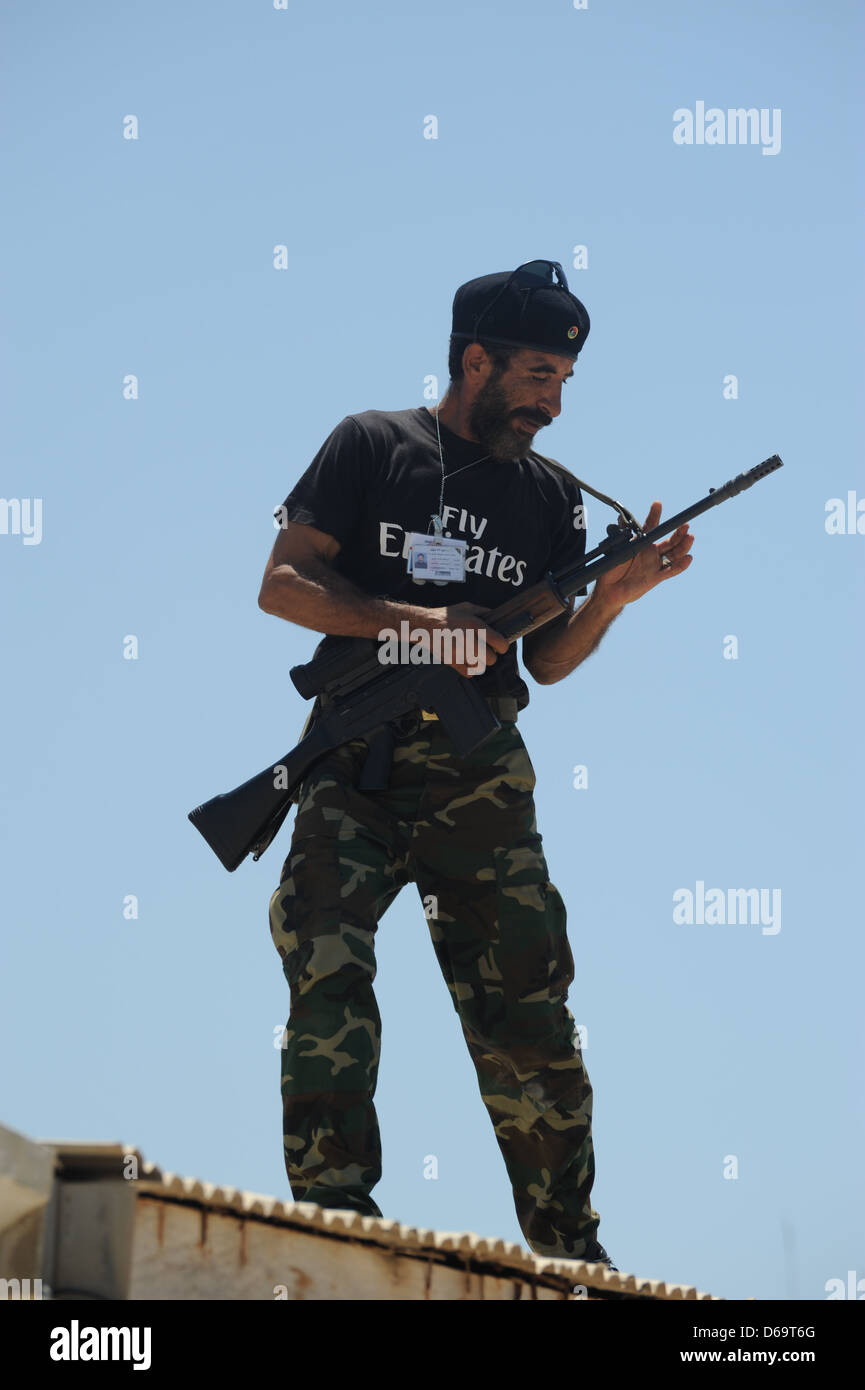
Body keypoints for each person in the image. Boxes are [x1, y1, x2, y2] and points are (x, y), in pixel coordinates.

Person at [259, 260, 694, 1269]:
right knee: (327, 971)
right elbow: (284, 584)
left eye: (566, 380)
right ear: (476, 360)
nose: (553, 399)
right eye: (540, 372)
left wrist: (613, 595)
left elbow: (546, 660)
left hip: (480, 773)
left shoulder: (548, 497)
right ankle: (336, 1218)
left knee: (527, 1007)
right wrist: (417, 623)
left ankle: (572, 1253)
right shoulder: (372, 444)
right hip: (353, 759)